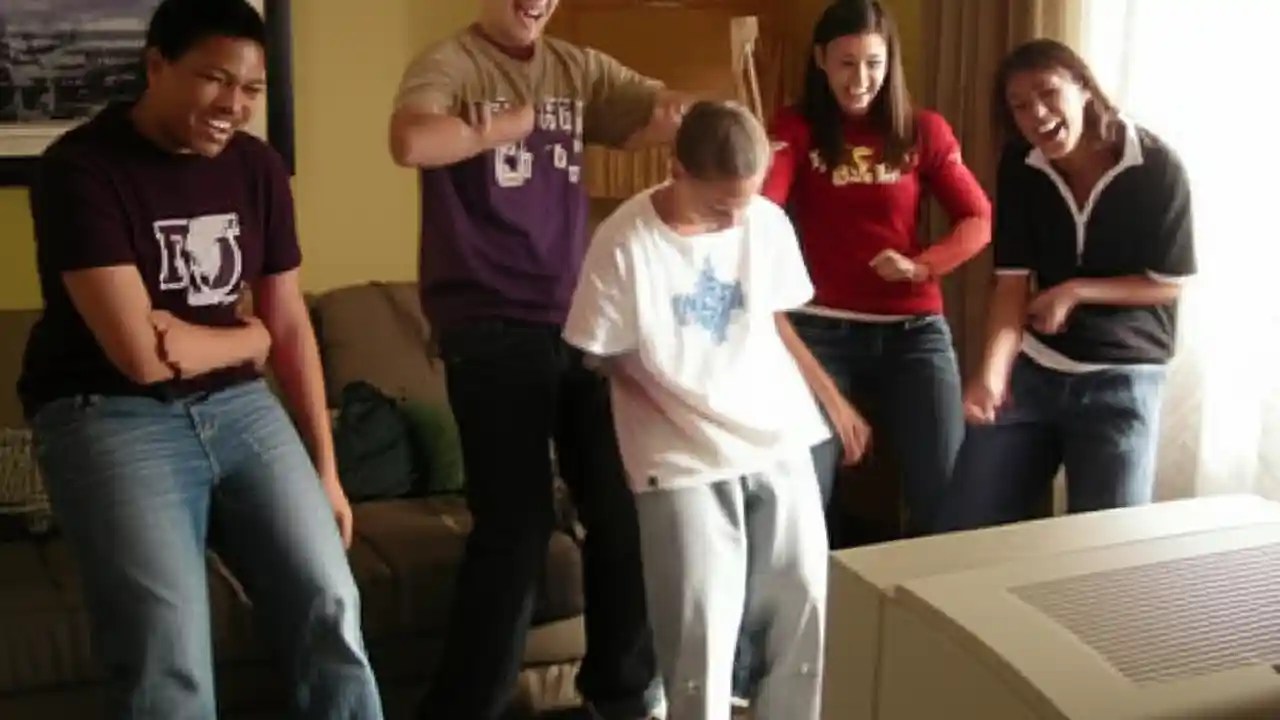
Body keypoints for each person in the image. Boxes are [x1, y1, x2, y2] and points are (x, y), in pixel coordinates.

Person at [16, 1, 383, 718]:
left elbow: (288, 324)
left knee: (330, 598)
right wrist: (248, 338)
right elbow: (143, 358)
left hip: (241, 405)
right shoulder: (79, 170)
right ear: (156, 65)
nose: (234, 106)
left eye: (250, 89)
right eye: (216, 80)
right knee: (168, 653)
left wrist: (327, 473)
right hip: (108, 415)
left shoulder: (258, 168)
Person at [386, 1, 688, 717]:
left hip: (578, 319)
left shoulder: (575, 67)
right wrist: (501, 124)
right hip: (487, 322)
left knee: (622, 511)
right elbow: (409, 142)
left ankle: (619, 696)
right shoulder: (450, 63)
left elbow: (648, 109)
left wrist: (684, 114)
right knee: (516, 527)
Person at [564, 100, 832, 720]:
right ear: (676, 169)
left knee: (803, 598)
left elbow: (773, 319)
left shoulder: (762, 223)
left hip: (774, 432)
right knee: (702, 624)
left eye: (746, 202)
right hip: (677, 451)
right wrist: (677, 399)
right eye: (719, 207)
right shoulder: (625, 241)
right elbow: (597, 352)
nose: (735, 220)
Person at [932, 39, 1195, 532]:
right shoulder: (1020, 164)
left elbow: (1168, 284)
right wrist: (991, 374)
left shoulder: (1157, 167)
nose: (1037, 114)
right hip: (1035, 371)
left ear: (1084, 88)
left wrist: (1077, 291)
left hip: (1125, 382)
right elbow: (1011, 282)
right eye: (1020, 106)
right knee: (960, 530)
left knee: (1101, 555)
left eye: (1048, 93)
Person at [761, 0, 992, 539]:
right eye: (846, 63)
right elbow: (766, 208)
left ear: (891, 63)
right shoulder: (795, 127)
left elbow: (978, 218)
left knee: (944, 488)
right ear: (820, 59)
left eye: (873, 63)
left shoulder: (924, 130)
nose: (860, 79)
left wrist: (920, 266)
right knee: (802, 489)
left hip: (912, 332)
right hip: (819, 327)